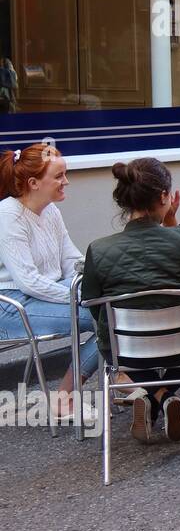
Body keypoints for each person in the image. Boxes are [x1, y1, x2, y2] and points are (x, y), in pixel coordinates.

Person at [81, 158, 180, 443]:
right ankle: (163, 396)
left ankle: (151, 395)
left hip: (126, 351)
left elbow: (91, 303)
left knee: (110, 336)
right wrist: (171, 221)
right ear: (165, 196)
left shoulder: (99, 249)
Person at [0, 143, 99, 424]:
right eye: (59, 176)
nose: (66, 181)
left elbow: (73, 261)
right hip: (11, 305)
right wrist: (80, 297)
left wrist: (99, 280)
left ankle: (122, 377)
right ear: (33, 183)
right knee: (104, 317)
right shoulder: (8, 215)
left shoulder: (50, 210)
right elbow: (28, 281)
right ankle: (64, 398)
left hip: (45, 294)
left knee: (110, 308)